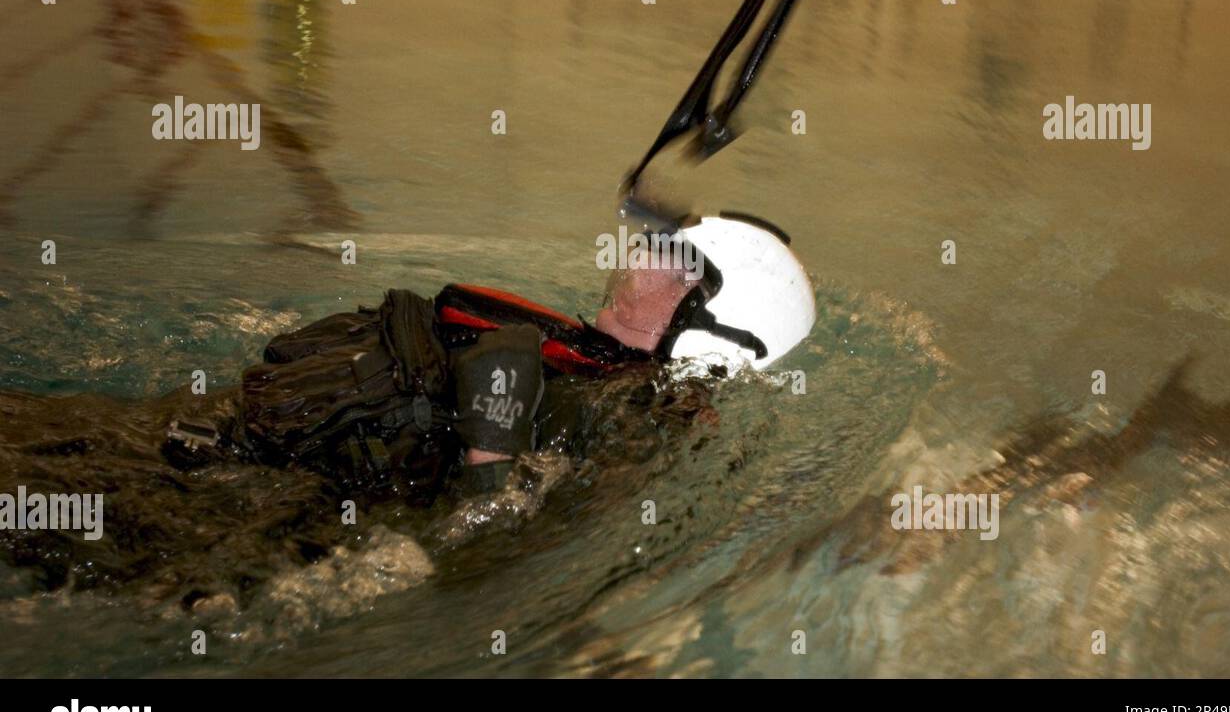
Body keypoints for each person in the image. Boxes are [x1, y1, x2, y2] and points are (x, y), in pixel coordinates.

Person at [168, 214, 817, 499]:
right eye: (654, 247)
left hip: (256, 465)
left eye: (674, 271)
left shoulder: (637, 413)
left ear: (719, 331)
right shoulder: (605, 373)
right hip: (244, 440)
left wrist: (487, 470)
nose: (638, 262)